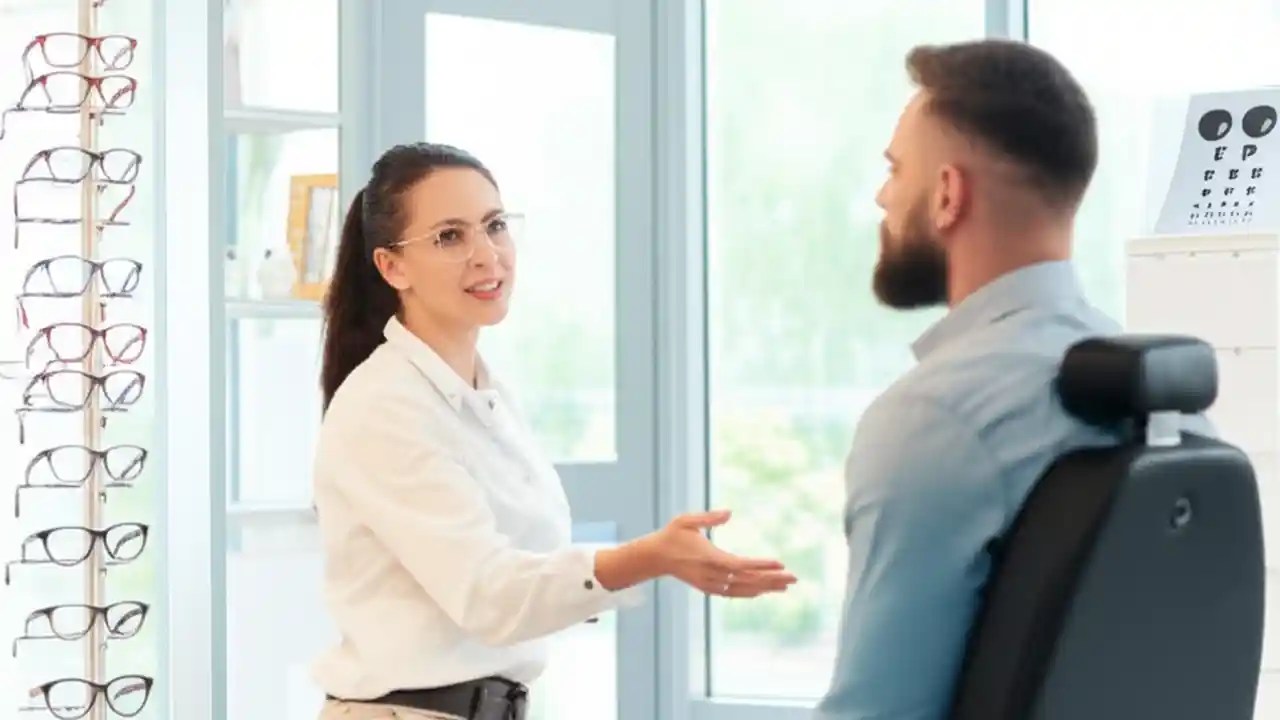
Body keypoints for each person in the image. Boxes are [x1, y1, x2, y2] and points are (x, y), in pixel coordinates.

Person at [311, 142, 797, 720]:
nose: (486, 254)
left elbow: (524, 575)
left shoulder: (484, 394)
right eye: (449, 236)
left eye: (495, 226)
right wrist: (648, 557)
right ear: (392, 266)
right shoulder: (383, 407)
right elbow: (488, 595)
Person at [815, 39, 1210, 719]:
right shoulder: (1170, 409)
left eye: (895, 169)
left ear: (946, 195)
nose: (883, 195)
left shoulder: (939, 417)